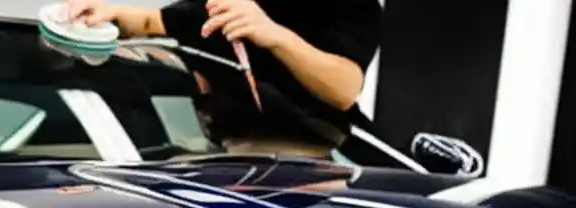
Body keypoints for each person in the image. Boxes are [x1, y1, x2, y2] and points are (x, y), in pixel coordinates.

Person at [63, 0, 383, 155]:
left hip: (310, 165)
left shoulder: (349, 5)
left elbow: (343, 87)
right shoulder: (227, 7)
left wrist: (276, 36)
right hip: (225, 161)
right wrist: (105, 14)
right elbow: (151, 22)